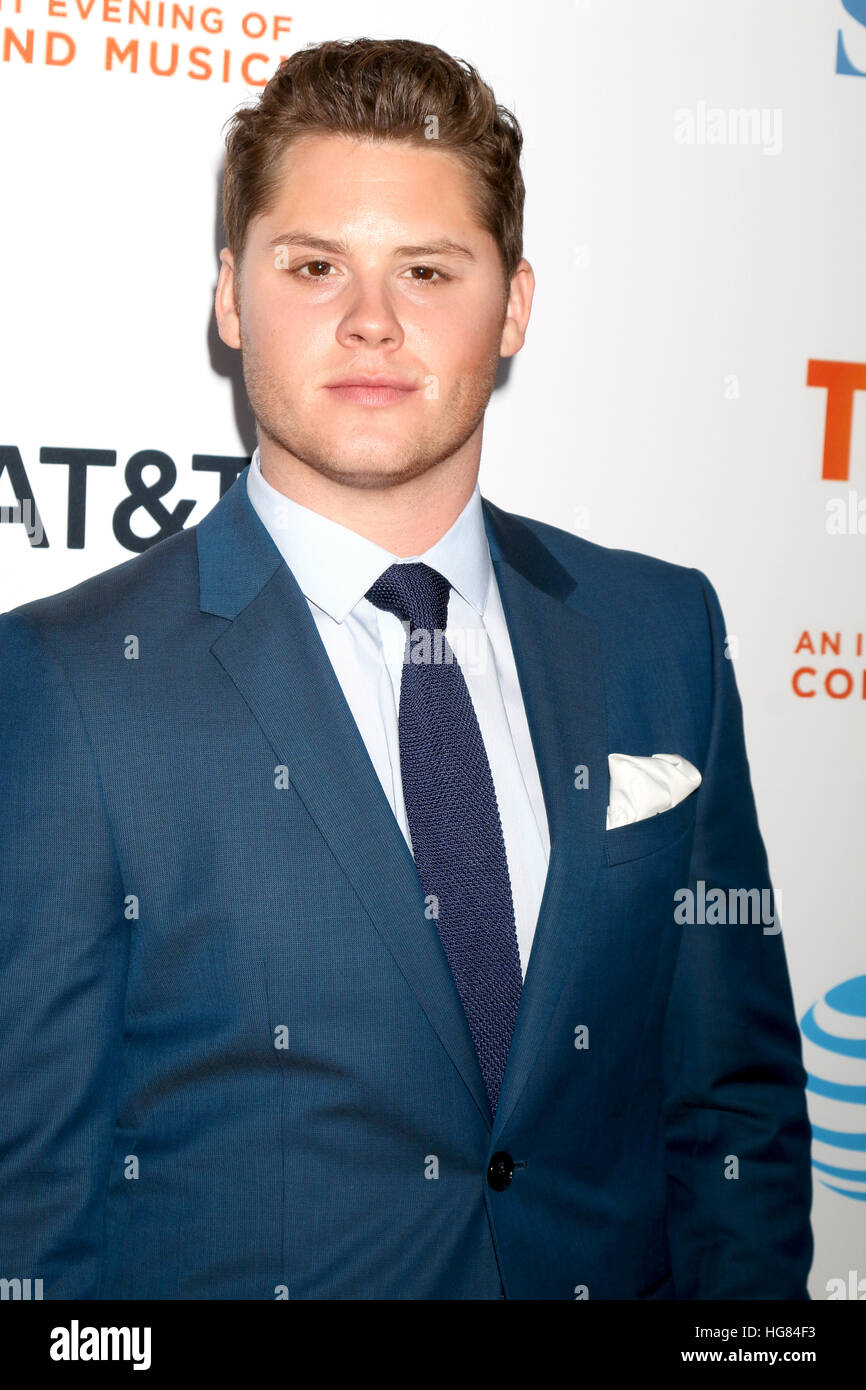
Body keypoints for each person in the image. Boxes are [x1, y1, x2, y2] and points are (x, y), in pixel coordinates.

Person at [0, 36, 812, 1300]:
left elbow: (731, 1120)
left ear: (515, 306)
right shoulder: (71, 682)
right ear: (229, 295)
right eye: (313, 265)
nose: (370, 318)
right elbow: (31, 1208)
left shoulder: (662, 637)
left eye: (427, 270)